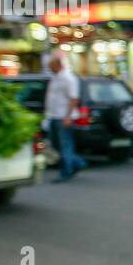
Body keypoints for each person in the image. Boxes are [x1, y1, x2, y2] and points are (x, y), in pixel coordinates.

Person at [44, 54, 86, 183]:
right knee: (55, 145)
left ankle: (66, 171)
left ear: (58, 65)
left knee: (65, 145)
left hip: (63, 117)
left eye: (51, 66)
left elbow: (74, 98)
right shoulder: (55, 78)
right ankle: (78, 163)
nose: (50, 69)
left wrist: (68, 117)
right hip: (53, 115)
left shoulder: (68, 78)